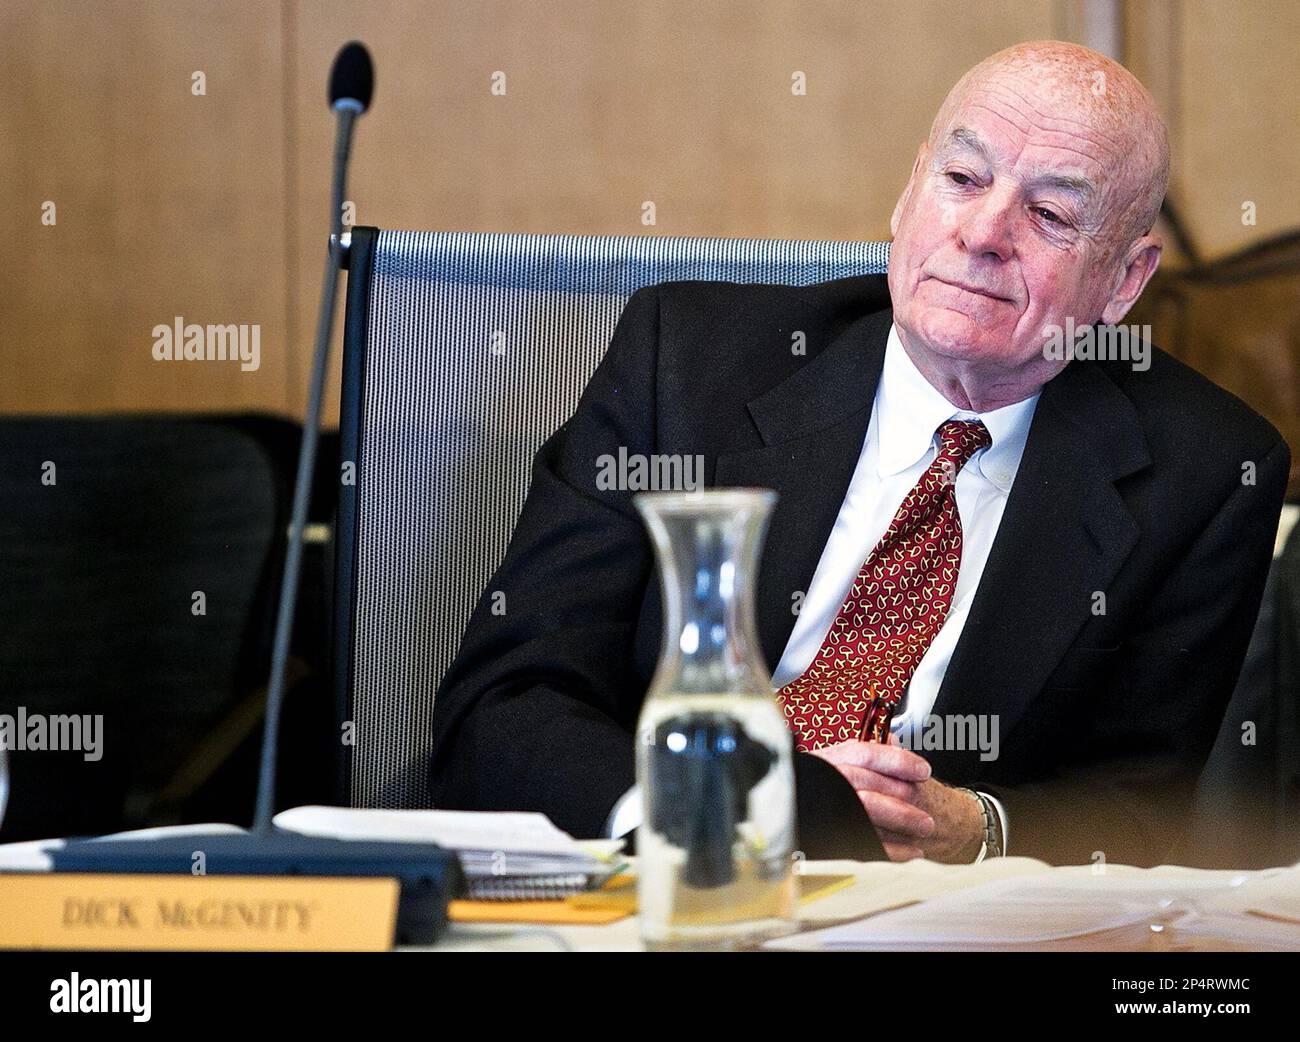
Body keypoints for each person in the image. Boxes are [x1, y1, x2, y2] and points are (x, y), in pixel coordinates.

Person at [429, 41, 1290, 866]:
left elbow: (1139, 808)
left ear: (1127, 282)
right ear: (909, 190)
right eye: (961, 179)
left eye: (1051, 214)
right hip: (653, 888)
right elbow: (507, 704)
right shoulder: (686, 368)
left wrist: (976, 828)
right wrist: (729, 810)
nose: (984, 233)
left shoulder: (1205, 471)